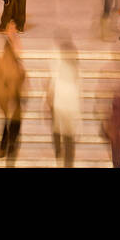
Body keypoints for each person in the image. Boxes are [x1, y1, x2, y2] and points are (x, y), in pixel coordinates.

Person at [0, 28, 25, 163]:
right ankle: (9, 151)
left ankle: (2, 148)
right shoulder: (16, 66)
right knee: (14, 128)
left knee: (5, 124)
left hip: (2, 102)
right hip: (14, 103)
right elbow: (21, 81)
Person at [46, 40, 82, 168]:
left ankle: (59, 155)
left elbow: (52, 85)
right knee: (68, 140)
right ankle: (66, 162)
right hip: (67, 109)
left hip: (60, 107)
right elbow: (77, 93)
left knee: (60, 134)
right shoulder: (71, 73)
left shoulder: (60, 72)